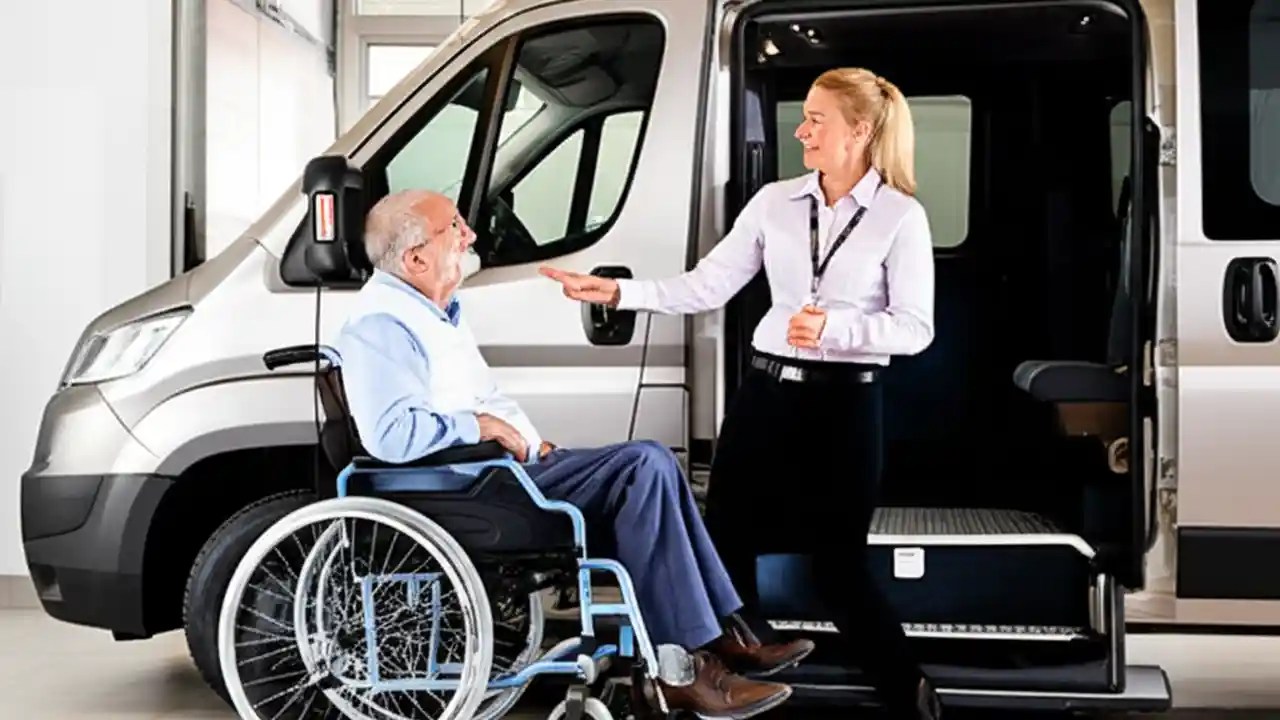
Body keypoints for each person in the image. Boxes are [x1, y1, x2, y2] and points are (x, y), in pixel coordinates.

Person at [540, 68, 943, 719]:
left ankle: (908, 689)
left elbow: (916, 328)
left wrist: (836, 328)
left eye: (817, 119)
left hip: (846, 402)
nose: (802, 130)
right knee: (728, 540)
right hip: (766, 397)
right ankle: (740, 685)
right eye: (804, 116)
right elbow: (704, 286)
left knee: (838, 565)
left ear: (860, 131)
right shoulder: (774, 203)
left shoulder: (900, 215)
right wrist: (620, 293)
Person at [331, 188, 816, 720]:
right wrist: (482, 424)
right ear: (415, 257)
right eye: (455, 227)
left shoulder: (439, 311)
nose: (470, 235)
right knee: (645, 464)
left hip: (504, 471)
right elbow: (389, 434)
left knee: (659, 474)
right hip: (467, 488)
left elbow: (481, 397)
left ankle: (719, 636)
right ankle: (688, 669)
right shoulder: (382, 324)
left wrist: (529, 438)